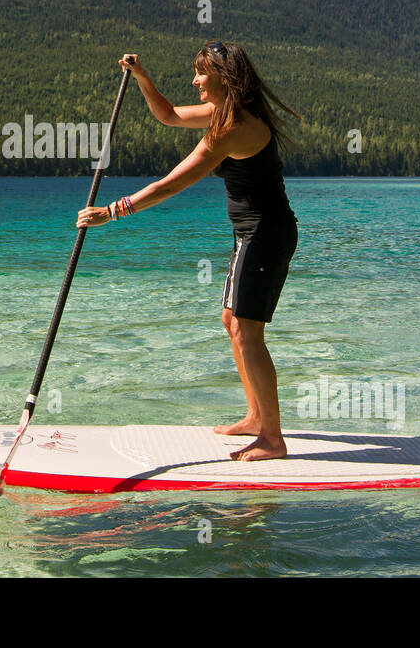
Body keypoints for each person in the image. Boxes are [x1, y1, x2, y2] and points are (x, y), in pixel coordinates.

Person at [76, 42, 301, 461]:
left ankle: (273, 438)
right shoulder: (225, 115)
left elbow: (172, 183)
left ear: (224, 77)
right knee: (232, 321)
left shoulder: (233, 127)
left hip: (265, 235)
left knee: (248, 331)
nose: (195, 80)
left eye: (201, 73)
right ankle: (255, 417)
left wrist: (113, 211)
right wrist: (143, 77)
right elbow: (168, 115)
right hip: (253, 234)